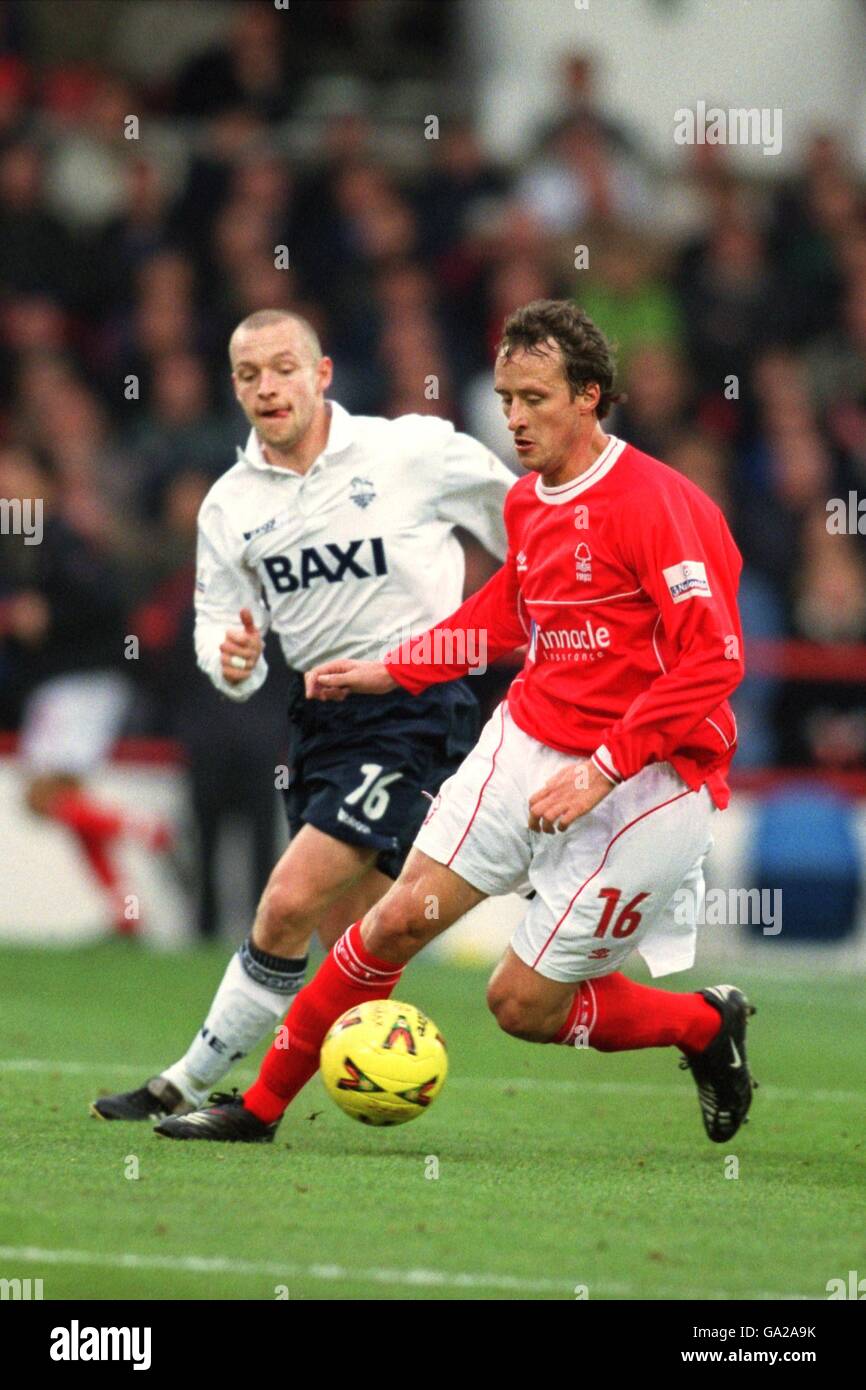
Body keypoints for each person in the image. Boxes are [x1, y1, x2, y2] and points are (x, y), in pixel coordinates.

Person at [156, 300, 756, 1147]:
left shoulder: (661, 504)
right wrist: (393, 667)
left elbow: (714, 661)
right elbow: (508, 615)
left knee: (520, 1005)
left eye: (535, 398)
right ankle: (256, 1108)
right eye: (507, 396)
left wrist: (603, 769)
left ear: (589, 397)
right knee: (395, 919)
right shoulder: (527, 503)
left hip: (651, 781)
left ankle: (701, 1026)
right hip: (528, 742)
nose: (514, 417)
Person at [92, 308, 513, 1120]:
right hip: (320, 719)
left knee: (286, 900)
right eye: (248, 375)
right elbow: (221, 629)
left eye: (284, 367)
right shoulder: (228, 506)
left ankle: (188, 1083)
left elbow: (520, 522)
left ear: (321, 375)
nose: (266, 386)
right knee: (353, 940)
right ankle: (368, 1080)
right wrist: (235, 662)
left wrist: (503, 622)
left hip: (413, 707)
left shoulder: (410, 450)